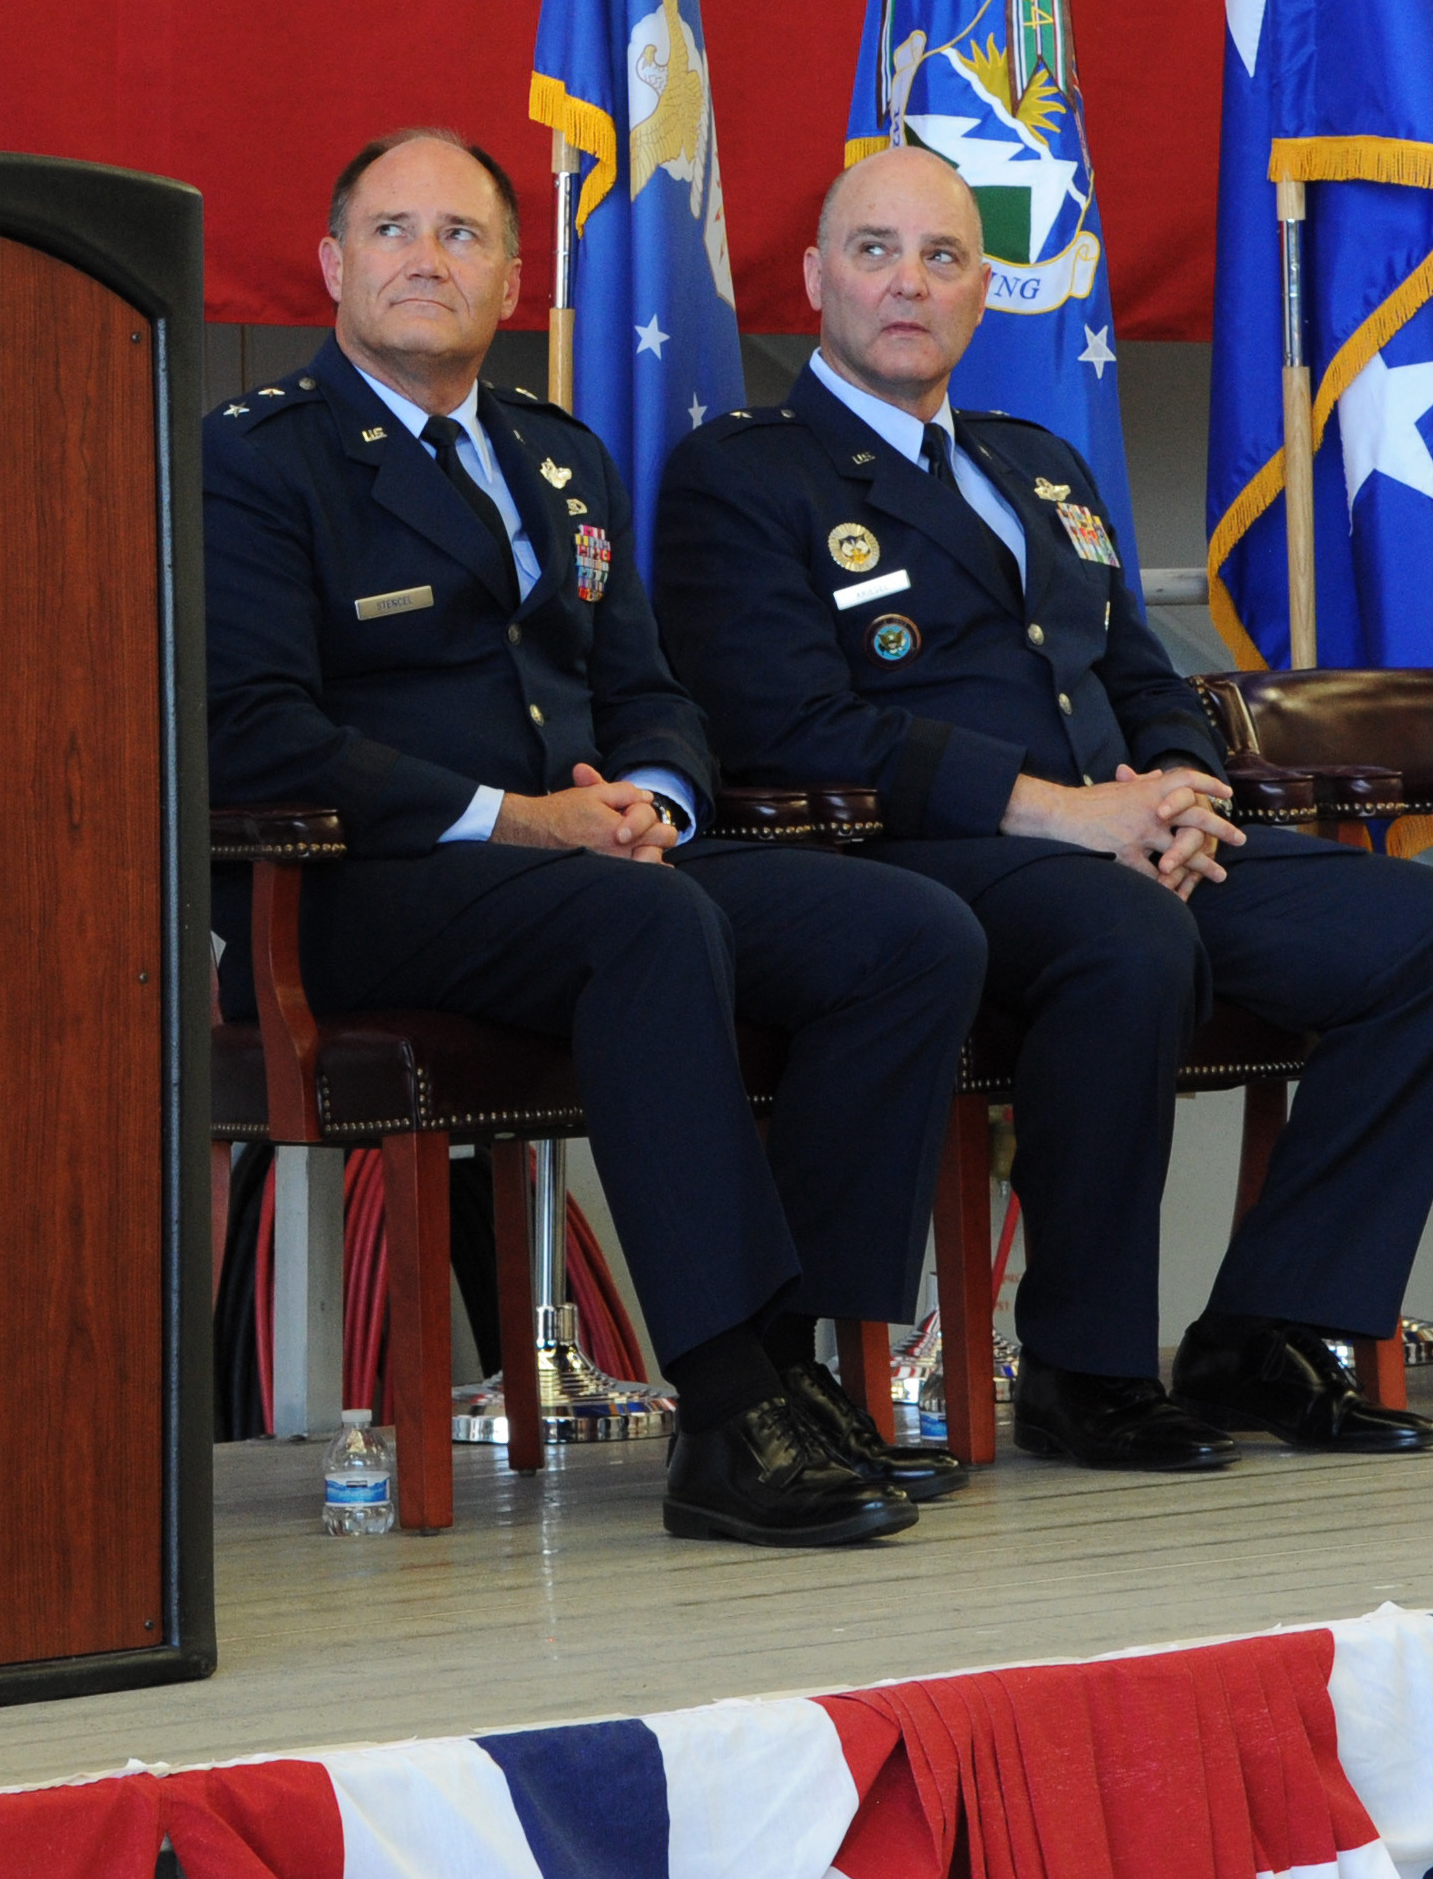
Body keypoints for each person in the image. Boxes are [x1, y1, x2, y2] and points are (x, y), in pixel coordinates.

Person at [654, 148, 1433, 1472]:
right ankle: (1086, 1367)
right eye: (876, 251)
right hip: (923, 857)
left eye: (943, 257)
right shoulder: (742, 473)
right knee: (1127, 937)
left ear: (981, 289)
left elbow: (1138, 672)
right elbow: (789, 724)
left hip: (1122, 839)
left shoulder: (1034, 462)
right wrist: (1064, 812)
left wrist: (1182, 790)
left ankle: (1266, 1325)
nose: (909, 282)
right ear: (816, 277)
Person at [206, 128, 986, 1548]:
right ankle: (726, 1407)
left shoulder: (557, 456)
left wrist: (655, 801)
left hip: (585, 864)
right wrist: (524, 819)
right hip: (363, 887)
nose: (425, 259)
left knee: (906, 932)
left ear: (513, 277)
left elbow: (649, 690)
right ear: (331, 264)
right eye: (391, 231)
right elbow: (251, 732)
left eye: (460, 234)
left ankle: (790, 1370)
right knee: (649, 921)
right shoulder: (256, 457)